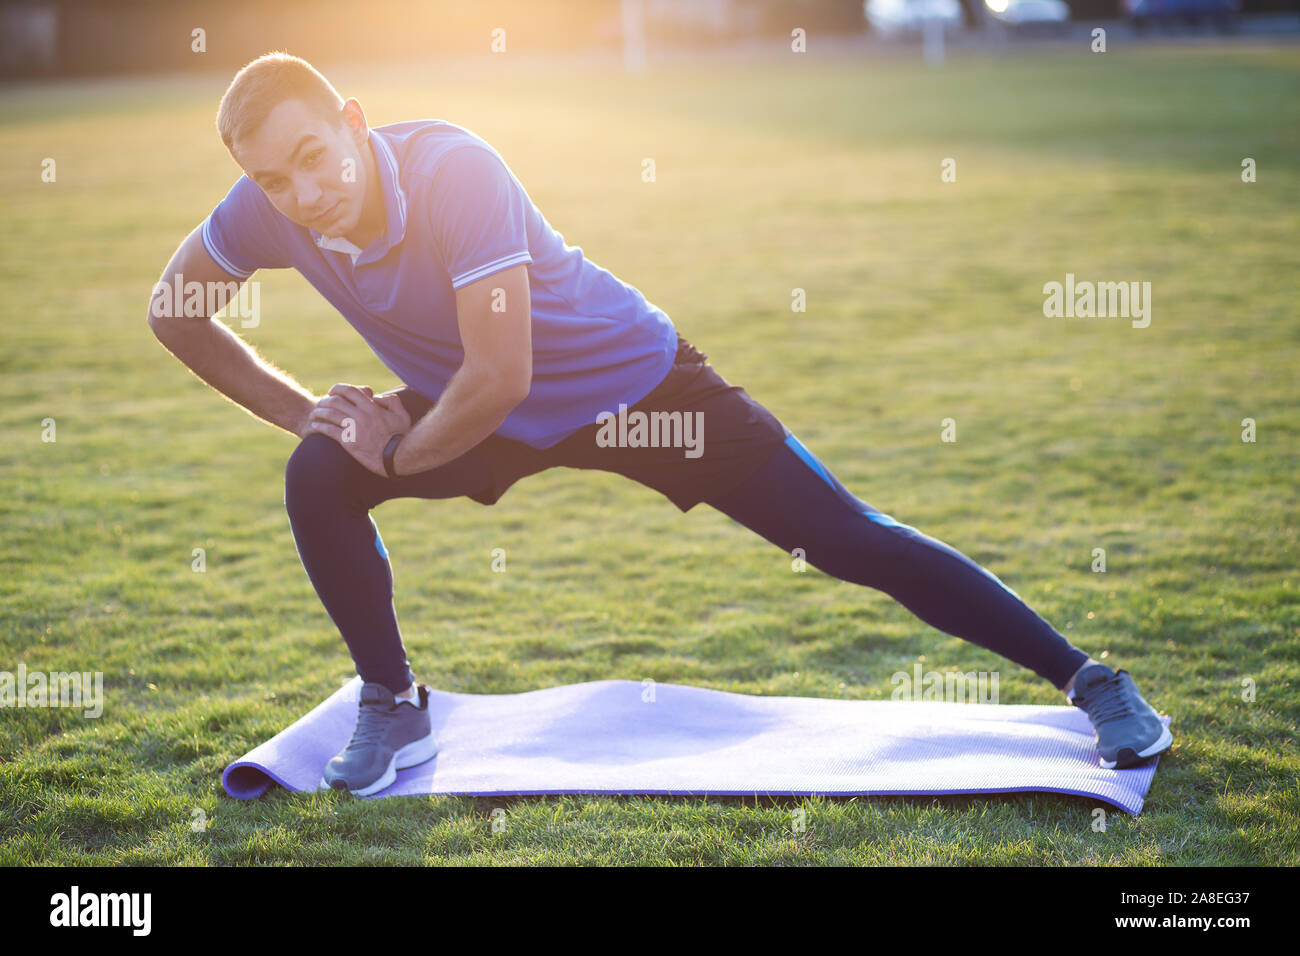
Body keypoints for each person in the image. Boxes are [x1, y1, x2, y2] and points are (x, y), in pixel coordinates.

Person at [147, 52, 1171, 796]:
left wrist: (398, 447)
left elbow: (504, 374)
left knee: (847, 536)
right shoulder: (266, 207)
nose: (301, 194)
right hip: (480, 408)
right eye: (274, 178)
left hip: (637, 392)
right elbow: (174, 310)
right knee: (318, 474)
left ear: (355, 121)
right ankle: (392, 696)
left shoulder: (455, 169)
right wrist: (317, 417)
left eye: (314, 159)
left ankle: (1091, 678)